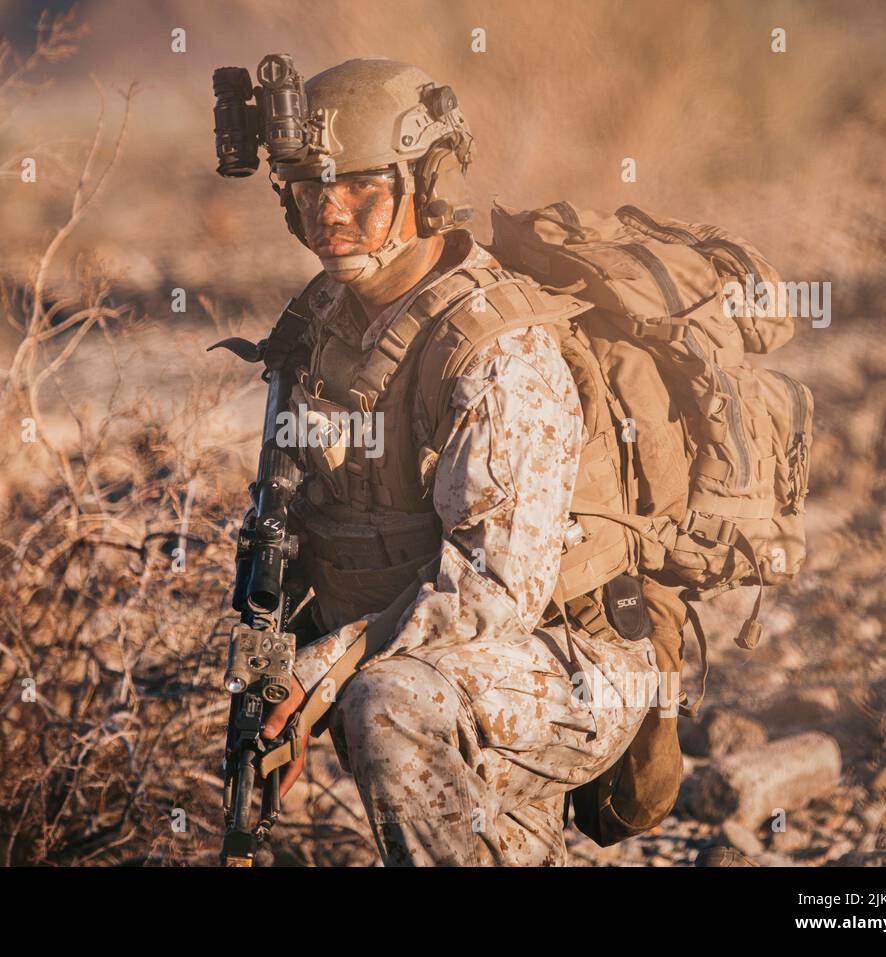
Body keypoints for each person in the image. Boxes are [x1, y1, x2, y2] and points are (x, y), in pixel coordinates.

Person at [254, 57, 659, 866]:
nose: (328, 210)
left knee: (389, 705)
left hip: (570, 660)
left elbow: (493, 595)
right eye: (306, 189)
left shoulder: (494, 346)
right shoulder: (319, 324)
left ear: (425, 186)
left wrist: (326, 666)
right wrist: (269, 675)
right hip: (436, 659)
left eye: (358, 187)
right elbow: (285, 522)